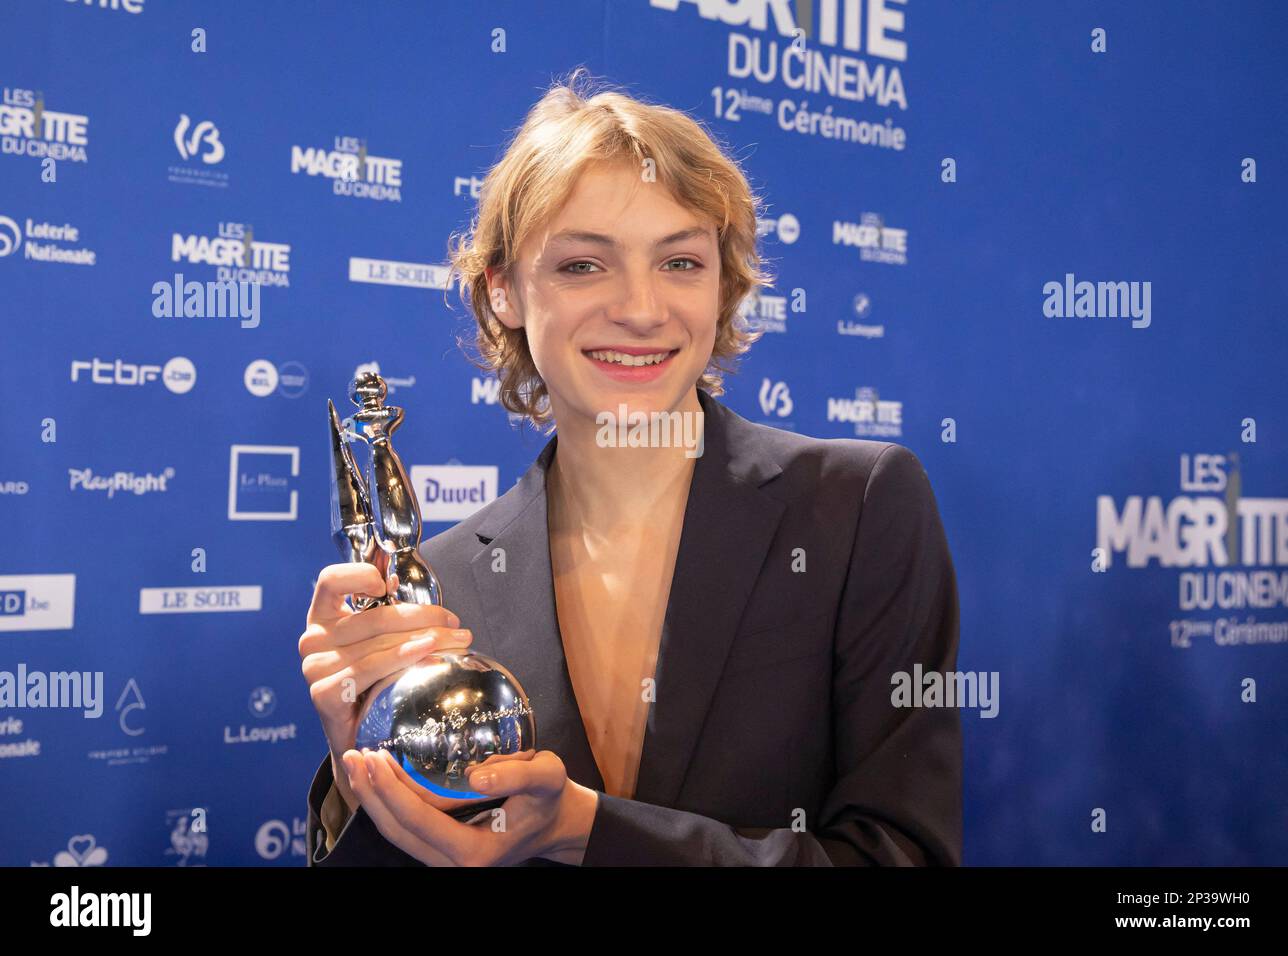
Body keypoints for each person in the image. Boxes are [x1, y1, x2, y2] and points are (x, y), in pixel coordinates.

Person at [298, 67, 961, 866]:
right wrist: (361, 763)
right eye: (584, 264)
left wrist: (586, 829)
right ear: (503, 290)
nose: (642, 308)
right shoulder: (440, 588)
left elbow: (901, 855)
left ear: (723, 288)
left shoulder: (857, 509)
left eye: (680, 262)